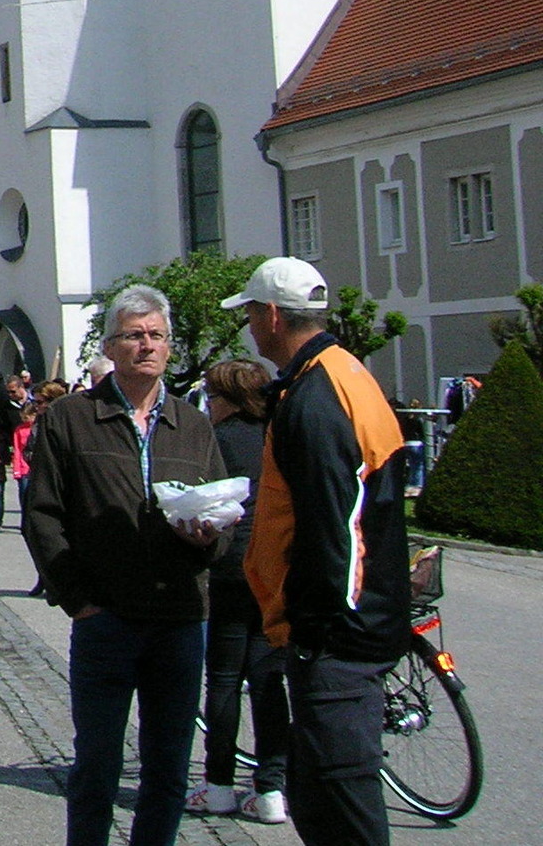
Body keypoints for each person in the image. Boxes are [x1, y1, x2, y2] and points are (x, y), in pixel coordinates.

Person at [21, 285, 226, 846]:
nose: (147, 346)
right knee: (97, 766)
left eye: (156, 336)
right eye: (134, 335)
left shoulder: (193, 424)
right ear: (112, 345)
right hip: (106, 617)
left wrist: (210, 537)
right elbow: (42, 515)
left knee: (168, 769)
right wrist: (77, 598)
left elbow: (224, 515)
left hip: (180, 616)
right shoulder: (72, 418)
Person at [231, 258, 410, 846]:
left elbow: (338, 526)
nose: (250, 328)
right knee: (316, 798)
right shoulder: (338, 372)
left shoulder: (315, 397)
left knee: (345, 802)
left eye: (252, 314)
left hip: (336, 642)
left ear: (274, 315)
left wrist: (320, 631)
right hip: (342, 631)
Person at [186, 357, 290, 825]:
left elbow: (202, 502)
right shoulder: (278, 434)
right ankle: (270, 788)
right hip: (272, 568)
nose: (209, 403)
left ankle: (219, 784)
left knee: (225, 680)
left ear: (228, 399)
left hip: (230, 568)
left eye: (213, 395)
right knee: (269, 680)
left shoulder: (216, 440)